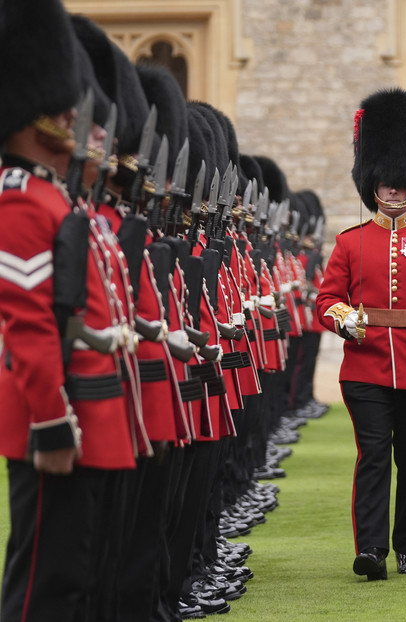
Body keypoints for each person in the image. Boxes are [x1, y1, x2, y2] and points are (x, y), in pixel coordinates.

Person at [0, 2, 140, 619]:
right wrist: (51, 422)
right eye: (69, 112)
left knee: (79, 574)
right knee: (45, 586)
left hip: (93, 407)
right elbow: (31, 325)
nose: (88, 128)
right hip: (56, 416)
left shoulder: (55, 202)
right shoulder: (24, 201)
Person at [315, 89, 406, 579]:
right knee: (375, 457)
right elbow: (326, 300)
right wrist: (346, 319)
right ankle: (372, 550)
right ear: (372, 182)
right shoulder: (350, 243)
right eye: (386, 182)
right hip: (366, 368)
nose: (395, 190)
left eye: (403, 184)